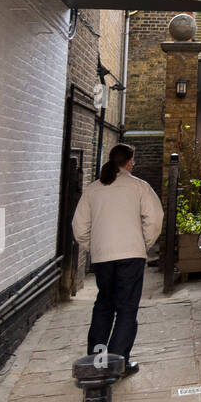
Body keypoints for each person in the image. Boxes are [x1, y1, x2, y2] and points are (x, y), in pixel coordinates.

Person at [72, 143, 163, 378]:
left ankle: (97, 359)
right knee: (126, 309)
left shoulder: (93, 190)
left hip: (103, 257)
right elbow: (155, 218)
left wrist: (93, 246)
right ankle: (118, 362)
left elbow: (79, 226)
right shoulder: (139, 187)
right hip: (131, 255)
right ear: (130, 162)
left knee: (104, 305)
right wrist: (144, 244)